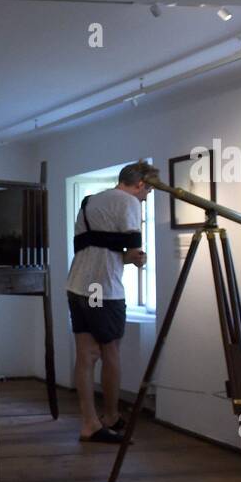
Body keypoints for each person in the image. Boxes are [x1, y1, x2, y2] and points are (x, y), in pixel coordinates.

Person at [64, 160, 154, 442]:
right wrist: (138, 259)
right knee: (111, 353)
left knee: (86, 355)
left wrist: (121, 255)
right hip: (103, 289)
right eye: (148, 191)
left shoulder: (90, 201)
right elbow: (134, 254)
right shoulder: (129, 203)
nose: (146, 196)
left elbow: (93, 247)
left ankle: (89, 422)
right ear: (140, 184)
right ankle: (112, 415)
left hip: (79, 285)